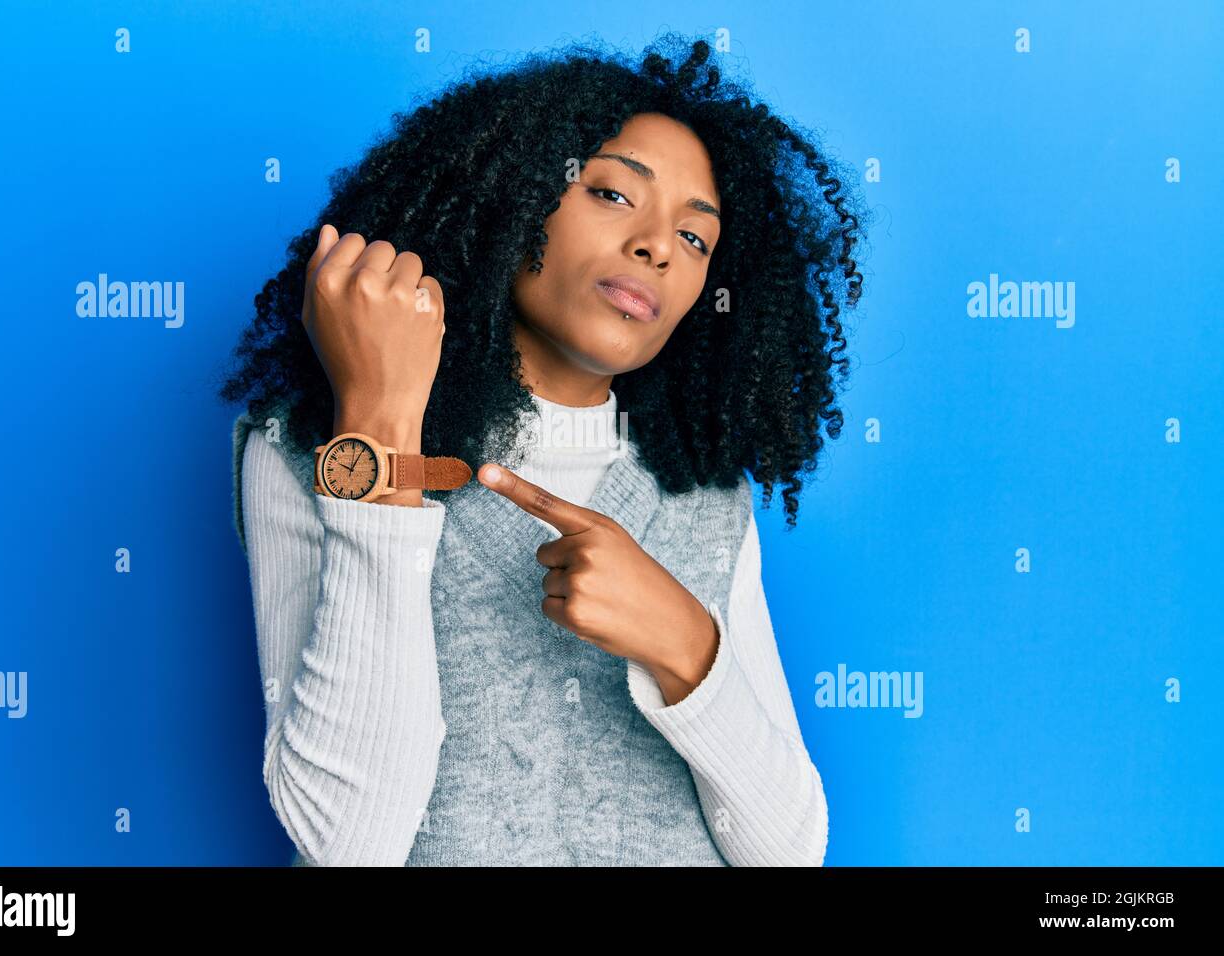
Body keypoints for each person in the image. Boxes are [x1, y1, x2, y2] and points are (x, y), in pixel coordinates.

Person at [218, 33, 867, 866]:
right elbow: (351, 842)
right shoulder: (313, 451)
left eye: (696, 240)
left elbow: (788, 852)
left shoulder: (705, 495)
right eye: (611, 193)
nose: (658, 247)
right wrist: (379, 422)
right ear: (511, 196)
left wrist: (684, 642)